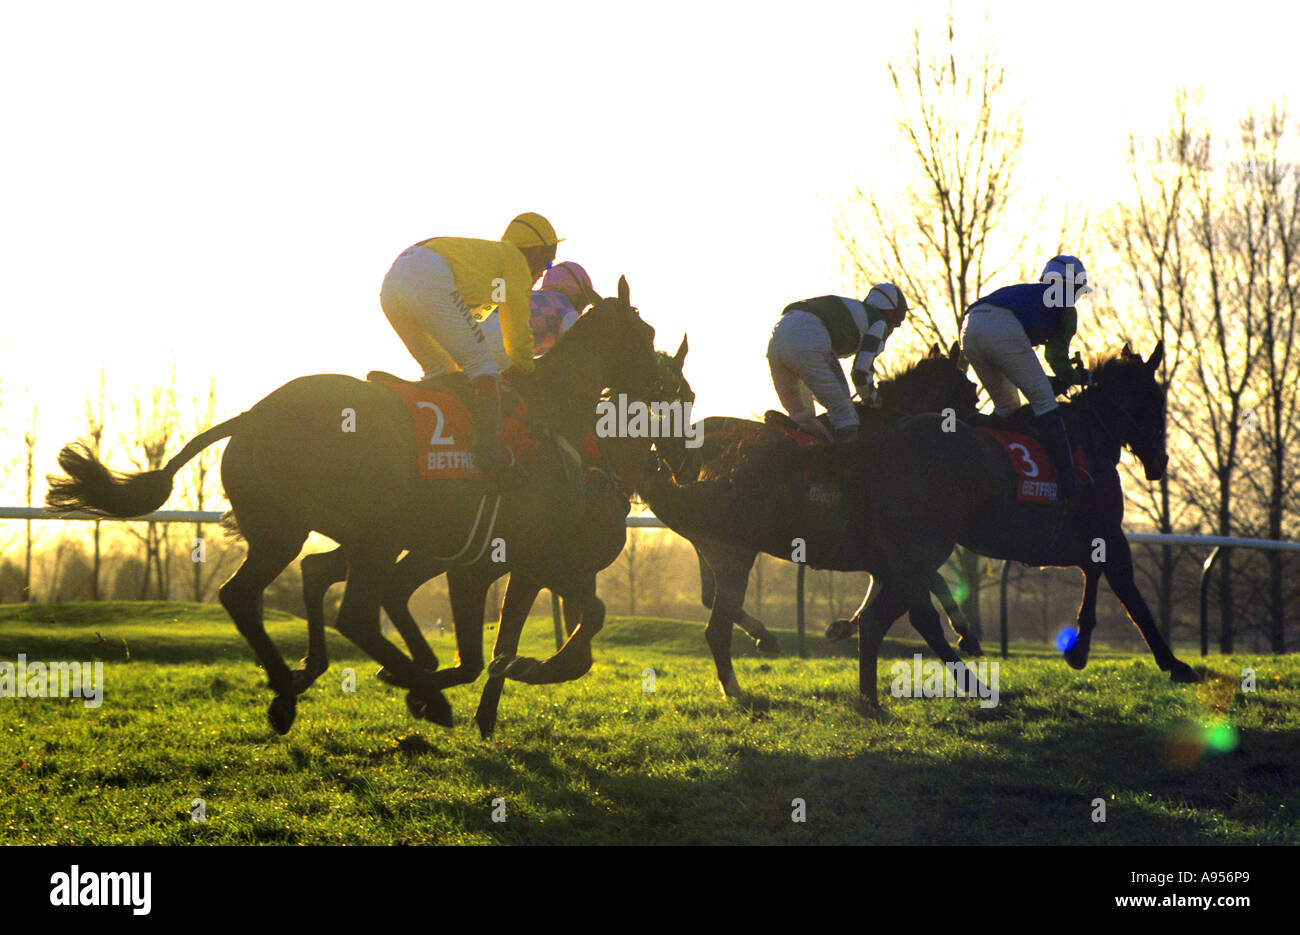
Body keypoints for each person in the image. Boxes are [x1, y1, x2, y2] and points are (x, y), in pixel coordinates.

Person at [379, 212, 559, 484]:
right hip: (427, 276)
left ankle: (438, 446)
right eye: (546, 263)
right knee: (484, 367)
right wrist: (527, 371)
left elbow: (469, 318)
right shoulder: (516, 264)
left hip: (393, 283)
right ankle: (488, 454)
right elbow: (517, 333)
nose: (543, 272)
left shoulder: (491, 261)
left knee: (441, 369)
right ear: (534, 255)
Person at [959, 255, 1092, 498]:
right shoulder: (1065, 307)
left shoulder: (1029, 295)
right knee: (1044, 403)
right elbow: (1056, 357)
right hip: (999, 328)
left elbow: (1022, 368)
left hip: (969, 326)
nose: (1077, 297)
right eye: (1077, 290)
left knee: (1008, 406)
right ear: (1069, 284)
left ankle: (967, 436)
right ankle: (1069, 479)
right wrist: (1077, 377)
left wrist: (1051, 382)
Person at [766, 284, 909, 443]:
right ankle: (845, 464)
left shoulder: (856, 311)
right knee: (845, 416)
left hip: (777, 339)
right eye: (896, 324)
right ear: (891, 313)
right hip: (808, 335)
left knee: (802, 420)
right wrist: (875, 401)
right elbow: (861, 374)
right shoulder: (879, 321)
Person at [478, 260, 597, 368]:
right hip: (503, 345)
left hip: (475, 331)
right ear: (576, 296)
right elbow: (576, 351)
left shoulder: (534, 296)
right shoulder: (567, 309)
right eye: (584, 304)